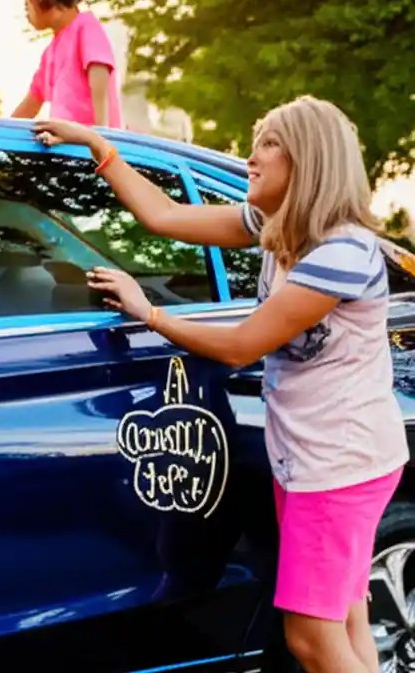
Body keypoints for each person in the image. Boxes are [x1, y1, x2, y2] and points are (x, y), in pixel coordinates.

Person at [34, 96, 408, 673]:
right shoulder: (276, 227)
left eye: (268, 144)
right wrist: (97, 145)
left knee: (312, 639)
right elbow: (162, 217)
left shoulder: (343, 254)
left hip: (340, 466)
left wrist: (149, 312)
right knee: (346, 616)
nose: (251, 158)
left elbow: (240, 346)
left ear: (308, 160)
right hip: (312, 459)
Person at [11, 0, 123, 129]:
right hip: (67, 146)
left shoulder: (85, 26)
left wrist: (103, 129)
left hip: (90, 146)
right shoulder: (50, 53)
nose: (25, 7)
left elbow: (99, 69)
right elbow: (30, 104)